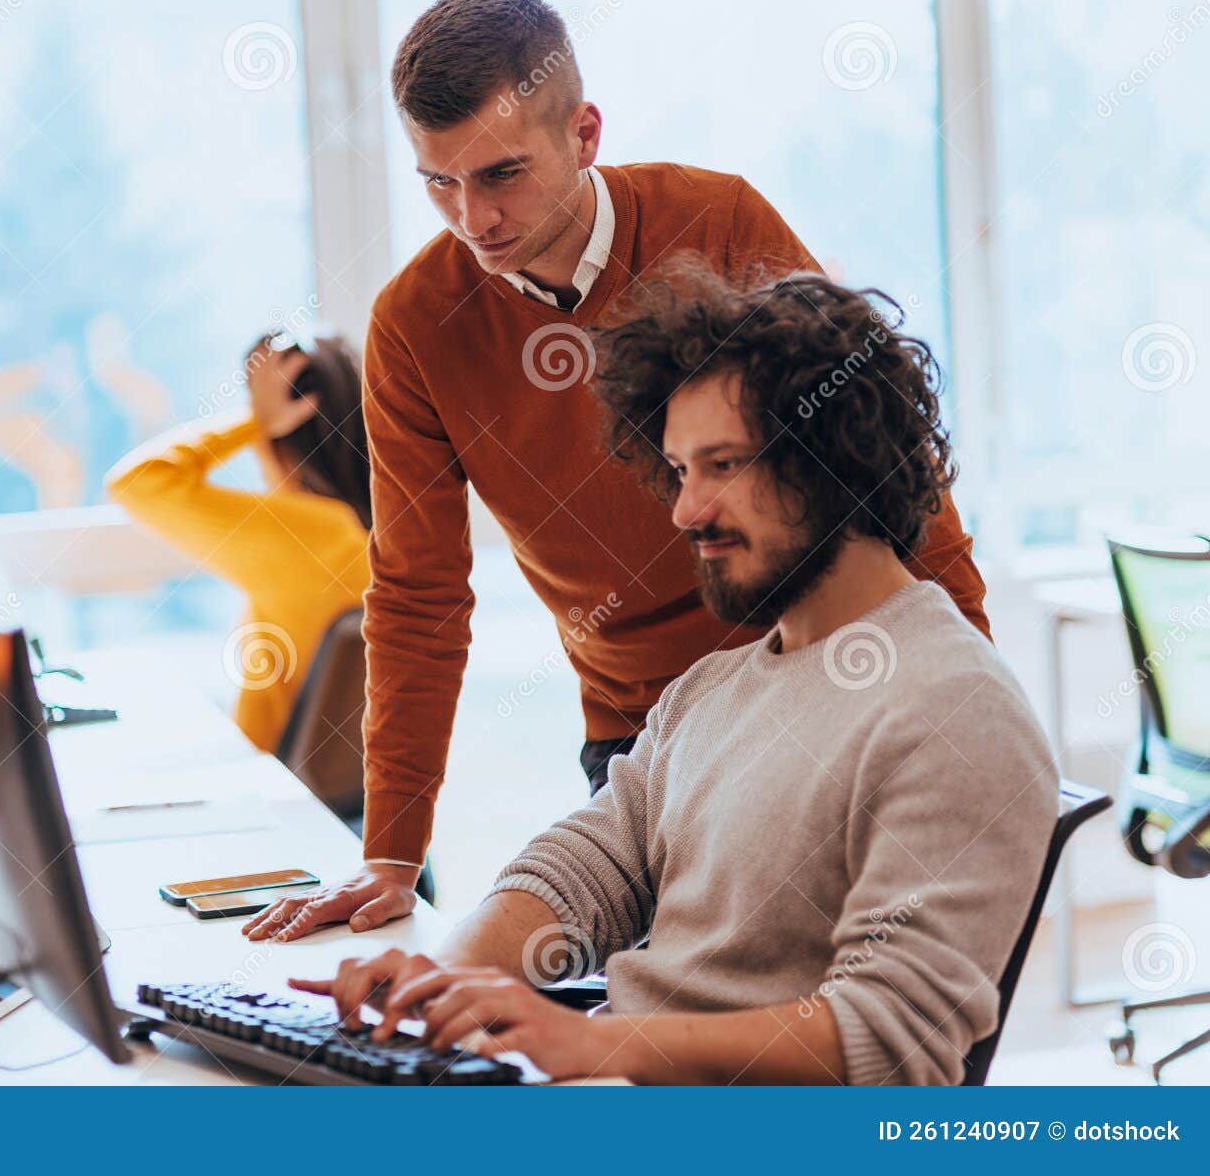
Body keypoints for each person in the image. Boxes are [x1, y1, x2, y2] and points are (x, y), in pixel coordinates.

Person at [245, 0, 989, 942]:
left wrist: (977, 683)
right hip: (639, 731)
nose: (473, 218)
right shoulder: (417, 323)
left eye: (502, 174)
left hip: (817, 683)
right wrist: (389, 854)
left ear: (585, 132)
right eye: (439, 183)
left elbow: (886, 462)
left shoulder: (715, 220)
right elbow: (420, 593)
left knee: (821, 1021)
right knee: (656, 1020)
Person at [287, 265, 1057, 1086]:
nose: (686, 511)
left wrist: (587, 1044)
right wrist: (455, 973)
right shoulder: (713, 689)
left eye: (722, 465)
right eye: (682, 470)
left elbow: (890, 1041)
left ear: (837, 464)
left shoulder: (957, 710)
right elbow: (594, 866)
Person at [104, 334, 371, 752]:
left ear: (287, 425)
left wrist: (253, 422)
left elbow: (136, 483)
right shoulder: (381, 530)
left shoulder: (312, 532)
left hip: (267, 781)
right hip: (334, 800)